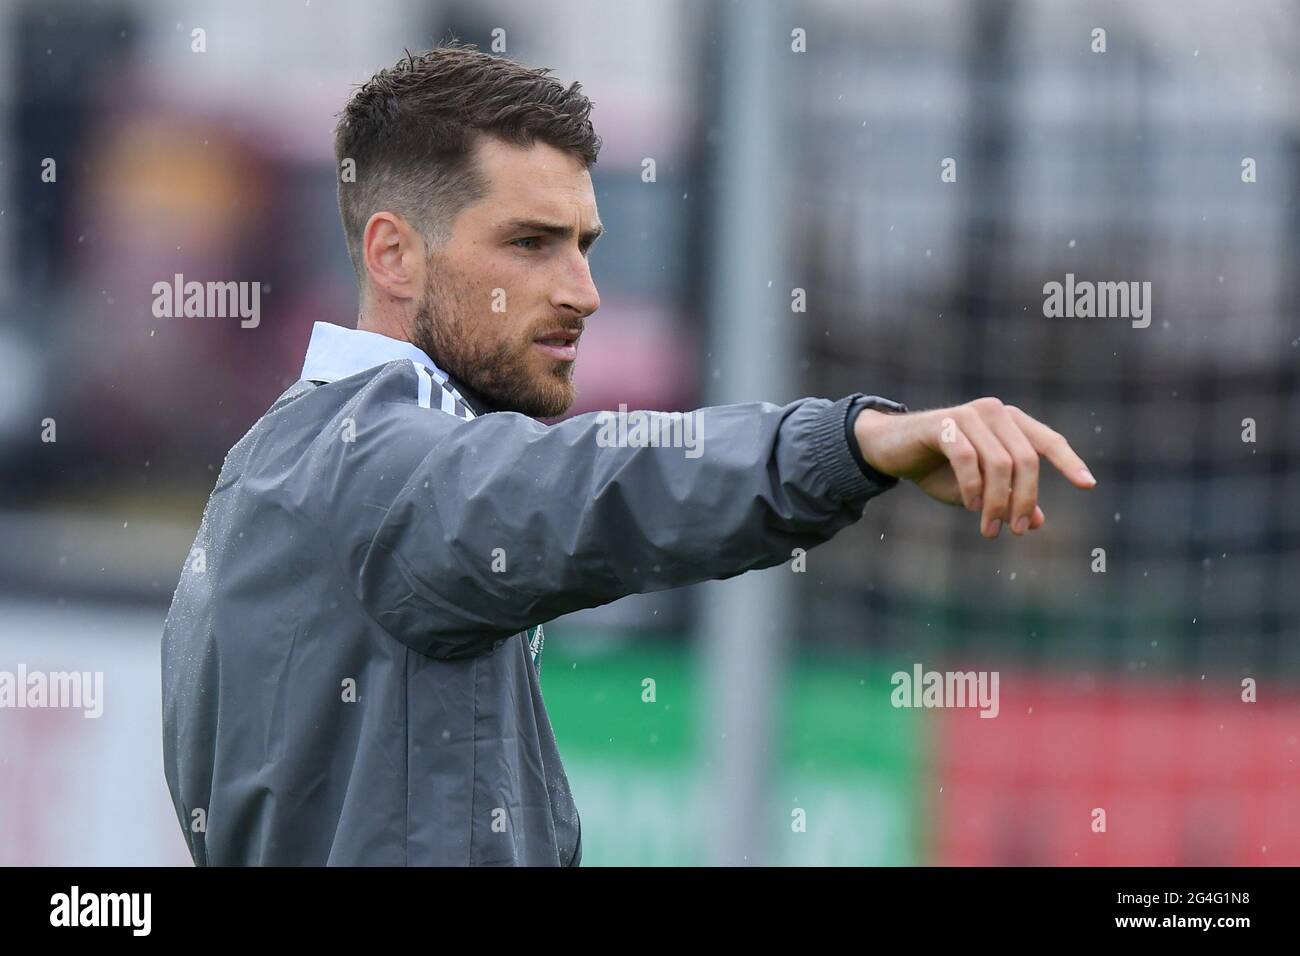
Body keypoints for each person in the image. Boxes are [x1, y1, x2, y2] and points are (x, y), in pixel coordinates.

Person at [161, 42, 1095, 866]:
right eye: (532, 243)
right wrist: (850, 443)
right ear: (395, 255)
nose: (584, 291)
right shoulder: (374, 465)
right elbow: (594, 482)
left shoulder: (285, 456)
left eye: (585, 245)